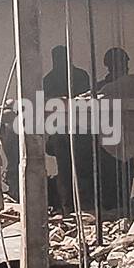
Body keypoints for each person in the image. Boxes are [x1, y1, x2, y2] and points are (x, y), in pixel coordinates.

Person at [43, 46, 92, 212]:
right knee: (68, 171)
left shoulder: (77, 76)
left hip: (78, 130)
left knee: (79, 170)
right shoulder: (49, 79)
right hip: (66, 131)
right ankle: (70, 207)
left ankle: (78, 207)